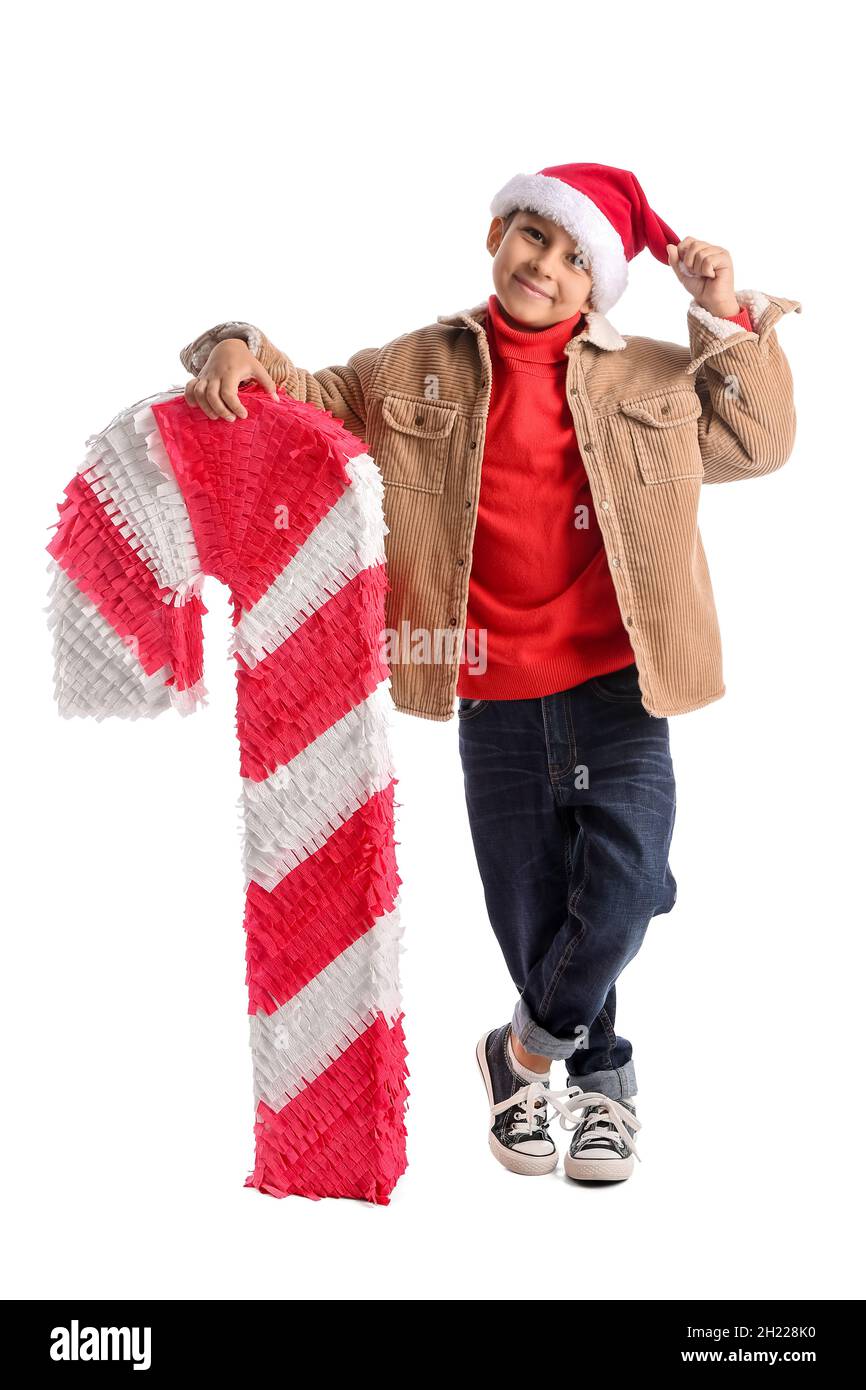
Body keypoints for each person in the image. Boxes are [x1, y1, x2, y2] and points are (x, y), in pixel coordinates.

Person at [177, 162, 801, 1185]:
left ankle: (518, 1058)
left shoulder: (645, 375)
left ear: (596, 287)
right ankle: (598, 1085)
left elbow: (759, 439)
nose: (543, 268)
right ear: (494, 235)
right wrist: (236, 343)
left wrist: (723, 310)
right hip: (486, 685)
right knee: (539, 907)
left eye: (571, 259)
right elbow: (303, 403)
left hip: (616, 684)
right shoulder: (409, 367)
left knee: (630, 885)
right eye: (531, 239)